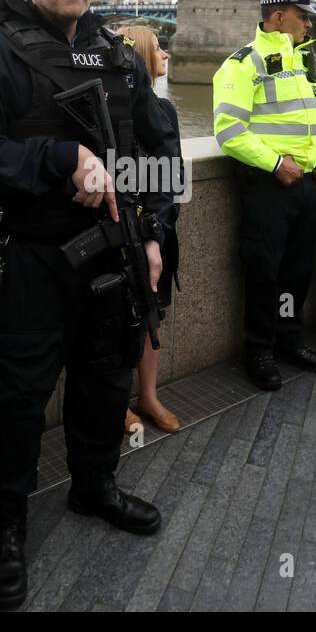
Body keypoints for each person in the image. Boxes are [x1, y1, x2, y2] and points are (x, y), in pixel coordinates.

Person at [0, 0, 178, 610]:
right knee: (17, 404)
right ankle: (6, 526)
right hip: (28, 260)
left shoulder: (118, 54)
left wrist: (156, 230)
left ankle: (94, 486)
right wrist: (58, 160)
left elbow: (161, 158)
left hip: (115, 252)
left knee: (105, 383)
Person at [212, 0, 316, 389]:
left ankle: (289, 339)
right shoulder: (243, 64)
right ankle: (259, 351)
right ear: (279, 17)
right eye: (304, 17)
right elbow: (229, 130)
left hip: (309, 185)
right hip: (270, 187)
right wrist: (275, 163)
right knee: (265, 272)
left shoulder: (308, 63)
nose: (309, 25)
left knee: (298, 271)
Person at [116, 25, 182, 434]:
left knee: (153, 315)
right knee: (120, 320)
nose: (167, 56)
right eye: (159, 49)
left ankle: (149, 396)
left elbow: (170, 174)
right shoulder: (113, 112)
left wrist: (159, 227)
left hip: (160, 228)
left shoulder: (166, 109)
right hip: (124, 232)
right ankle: (118, 400)